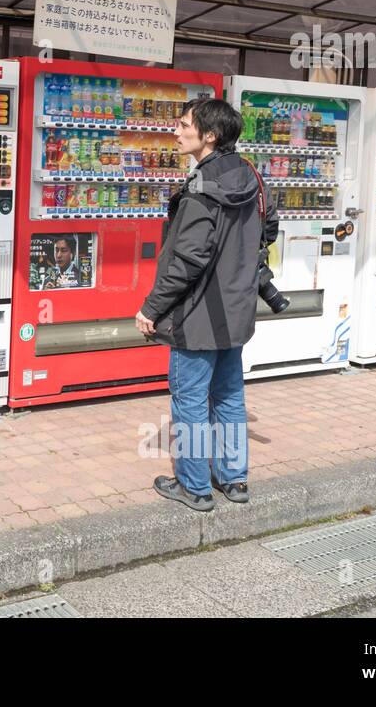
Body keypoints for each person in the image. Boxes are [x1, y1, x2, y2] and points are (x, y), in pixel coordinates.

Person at [134, 98, 278, 512]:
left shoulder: (200, 189)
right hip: (236, 308)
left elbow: (188, 259)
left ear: (209, 135)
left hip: (197, 315)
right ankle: (234, 481)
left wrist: (152, 308)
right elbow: (268, 229)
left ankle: (194, 487)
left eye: (183, 125)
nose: (176, 132)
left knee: (191, 401)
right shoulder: (251, 176)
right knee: (230, 396)